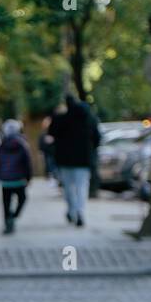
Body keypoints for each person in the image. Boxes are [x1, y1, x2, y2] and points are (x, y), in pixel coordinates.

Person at [48, 95, 101, 226]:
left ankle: (72, 211)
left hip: (65, 160)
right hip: (83, 160)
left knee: (68, 188)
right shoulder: (90, 119)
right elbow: (97, 138)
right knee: (81, 187)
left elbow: (52, 133)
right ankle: (80, 211)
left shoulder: (62, 118)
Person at [0, 118, 33, 233]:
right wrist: (28, 177)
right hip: (19, 179)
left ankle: (8, 224)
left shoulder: (0, 145)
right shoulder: (22, 144)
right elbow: (27, 162)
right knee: (22, 198)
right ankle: (14, 216)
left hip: (5, 180)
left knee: (6, 203)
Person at [38, 116, 57, 183]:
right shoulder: (43, 133)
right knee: (48, 166)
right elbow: (40, 144)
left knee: (53, 166)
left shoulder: (55, 131)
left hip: (54, 153)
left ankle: (55, 179)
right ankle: (50, 178)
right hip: (46, 153)